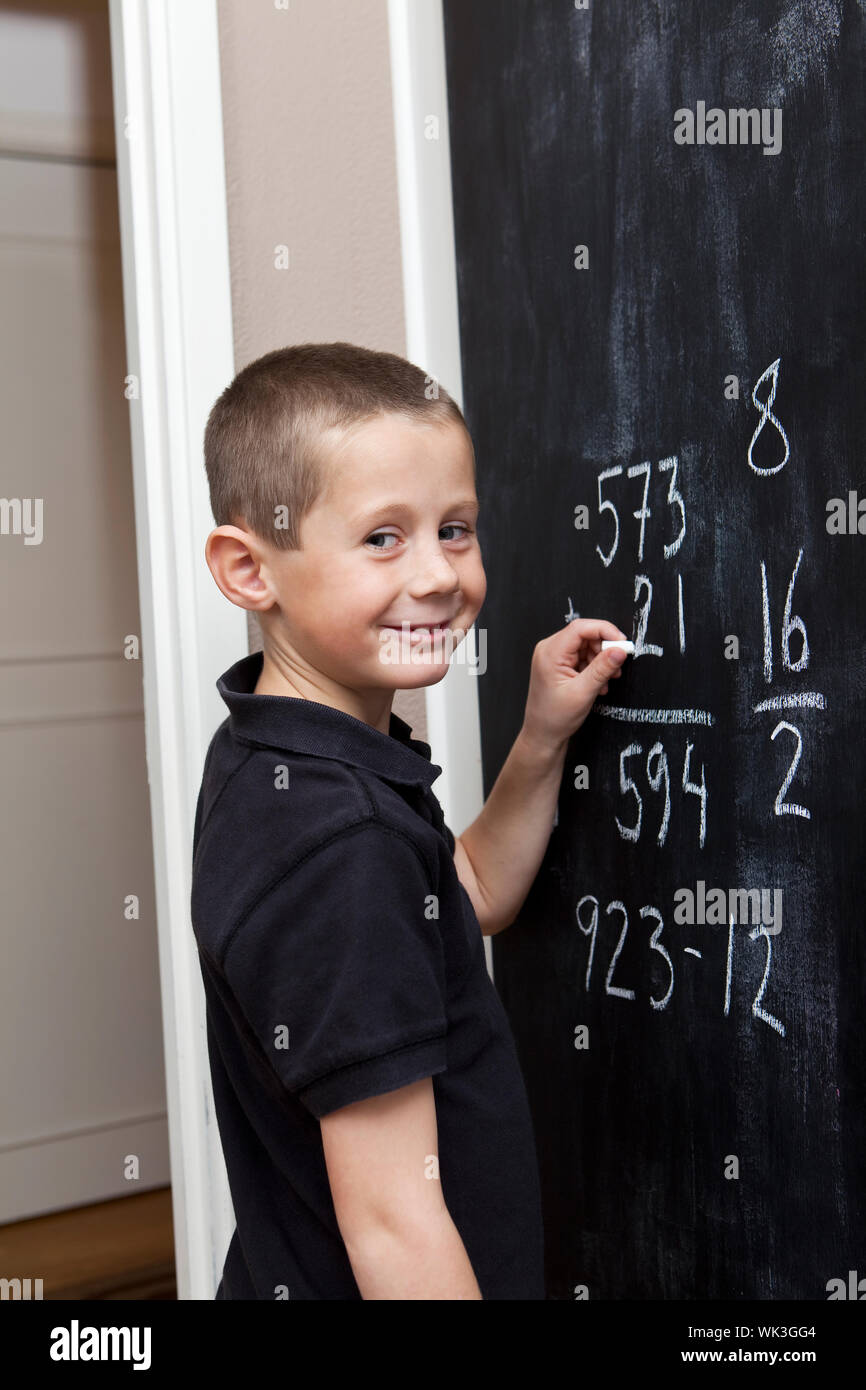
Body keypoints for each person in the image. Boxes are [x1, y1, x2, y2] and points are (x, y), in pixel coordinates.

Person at [191, 342, 628, 1299]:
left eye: (457, 528)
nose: (437, 574)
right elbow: (394, 1226)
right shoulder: (339, 843)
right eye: (383, 538)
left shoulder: (285, 756)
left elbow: (467, 894)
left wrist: (541, 739)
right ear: (248, 567)